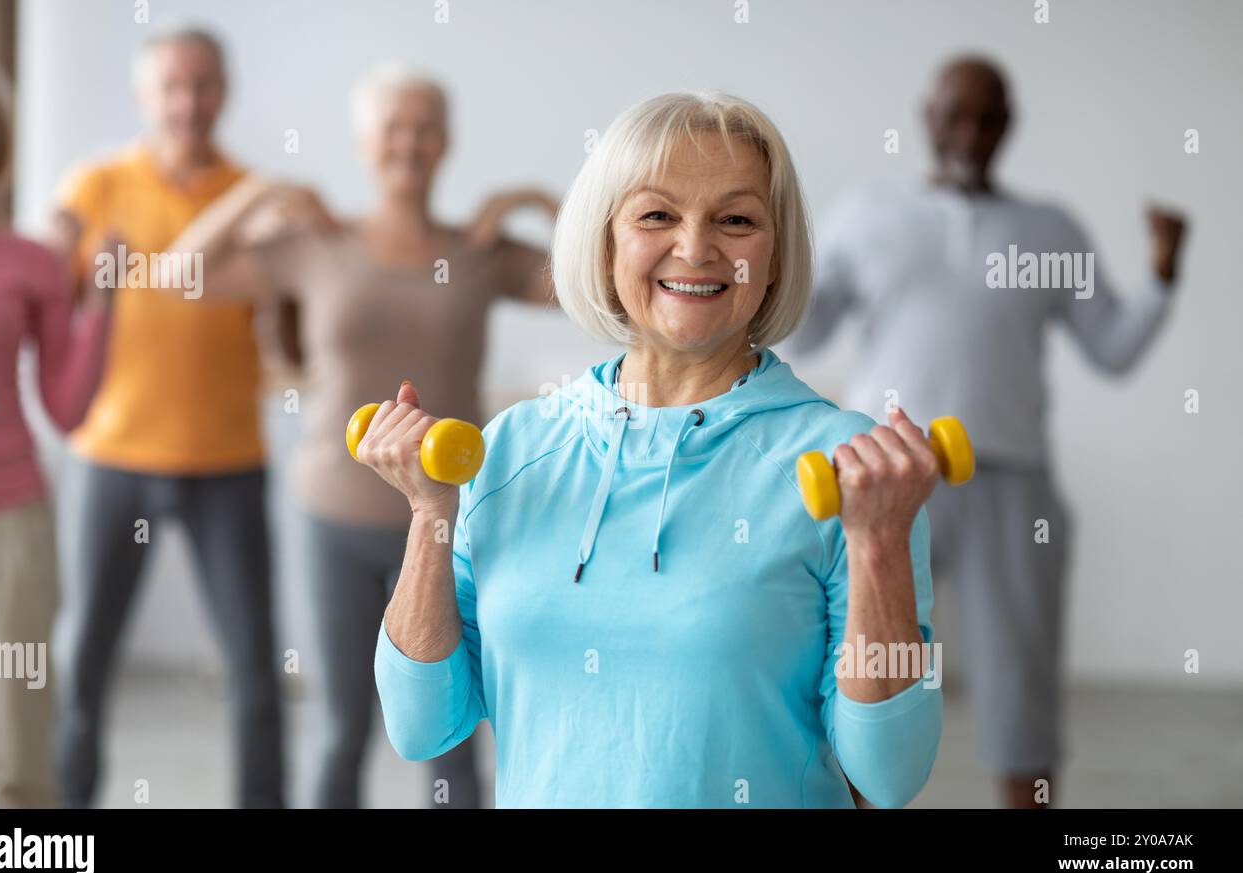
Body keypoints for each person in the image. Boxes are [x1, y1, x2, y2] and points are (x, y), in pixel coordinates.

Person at [359, 91, 944, 808]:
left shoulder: (849, 465)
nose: (696, 248)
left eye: (736, 220)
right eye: (657, 214)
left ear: (775, 255)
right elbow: (421, 728)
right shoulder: (510, 449)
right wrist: (430, 512)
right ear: (606, 243)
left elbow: (888, 775)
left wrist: (878, 545)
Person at [781, 56, 1189, 808]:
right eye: (955, 114)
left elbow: (1113, 350)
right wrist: (777, 261)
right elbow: (803, 339)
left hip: (1013, 482)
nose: (970, 131)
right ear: (926, 116)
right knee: (871, 663)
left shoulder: (1048, 229)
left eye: (988, 116)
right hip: (889, 479)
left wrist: (1163, 273)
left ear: (1009, 124)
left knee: (1020, 679)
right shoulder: (866, 215)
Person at [165, 62, 558, 808]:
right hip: (335, 517)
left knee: (449, 736)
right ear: (362, 142)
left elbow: (609, 286)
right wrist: (255, 194)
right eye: (392, 128)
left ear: (446, 143)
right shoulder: (317, 242)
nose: (408, 144)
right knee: (343, 727)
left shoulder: (478, 249)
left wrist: (537, 202)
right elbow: (177, 272)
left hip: (456, 523)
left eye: (425, 128)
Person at [49, 27, 285, 808]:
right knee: (84, 657)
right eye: (173, 86)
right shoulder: (95, 186)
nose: (189, 102)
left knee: (255, 670)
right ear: (146, 96)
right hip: (113, 456)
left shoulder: (252, 195)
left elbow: (282, 319)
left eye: (204, 84)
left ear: (225, 91)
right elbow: (50, 296)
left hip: (228, 462)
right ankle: (62, 830)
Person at [0, 47, 111, 807]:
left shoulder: (33, 261)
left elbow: (68, 408)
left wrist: (103, 302)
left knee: (19, 759)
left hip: (7, 520)